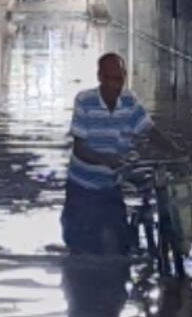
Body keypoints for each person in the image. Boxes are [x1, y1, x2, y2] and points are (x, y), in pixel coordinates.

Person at [61, 52, 181, 255]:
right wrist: (105, 160)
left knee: (122, 249)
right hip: (82, 188)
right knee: (81, 250)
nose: (115, 85)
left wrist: (176, 152)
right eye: (110, 79)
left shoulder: (129, 101)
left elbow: (150, 131)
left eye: (119, 79)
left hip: (111, 186)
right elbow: (79, 149)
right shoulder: (84, 101)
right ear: (99, 77)